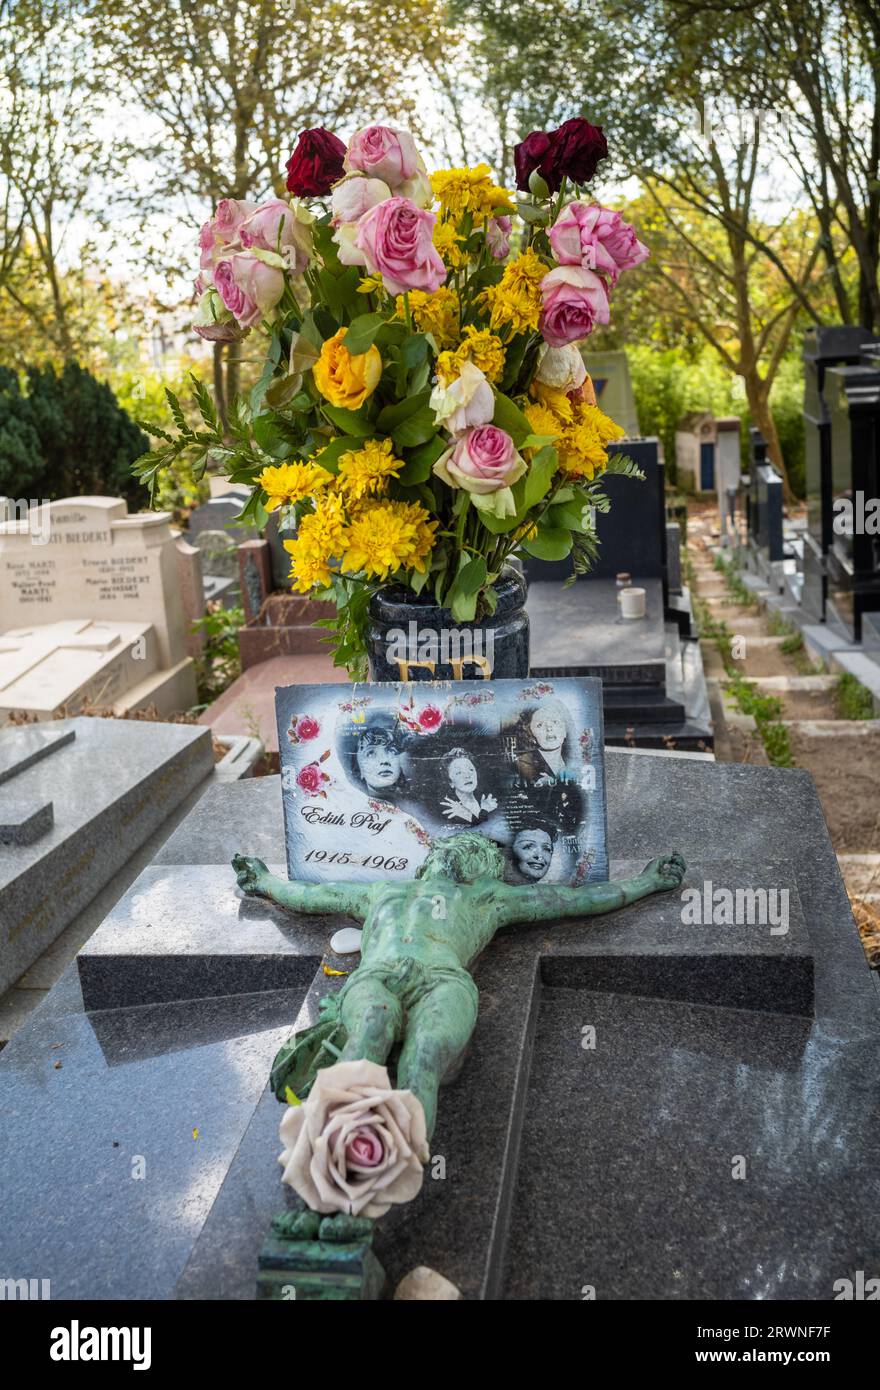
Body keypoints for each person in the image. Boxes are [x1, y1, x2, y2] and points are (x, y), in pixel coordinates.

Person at [233, 837, 687, 1144]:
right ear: (430, 856)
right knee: (368, 1033)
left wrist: (646, 882)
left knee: (425, 1057)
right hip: (378, 974)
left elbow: (573, 900)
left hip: (442, 982)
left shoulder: (488, 898)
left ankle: (392, 1168)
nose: (462, 851)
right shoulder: (381, 891)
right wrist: (264, 882)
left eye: (474, 851)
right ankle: (328, 1155)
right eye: (457, 845)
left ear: (484, 871)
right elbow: (313, 898)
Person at [439, 746, 498, 825]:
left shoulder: (488, 801)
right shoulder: (448, 809)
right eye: (458, 773)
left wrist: (485, 809)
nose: (467, 775)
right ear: (450, 782)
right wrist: (479, 813)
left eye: (470, 769)